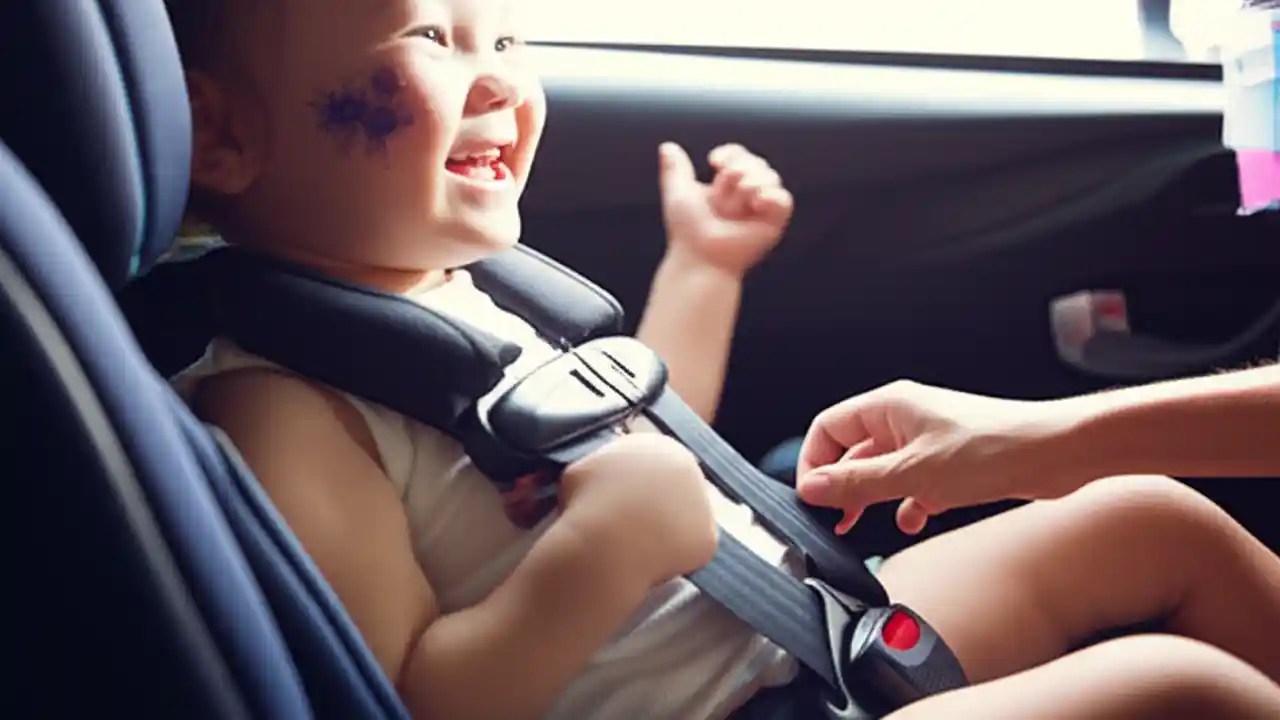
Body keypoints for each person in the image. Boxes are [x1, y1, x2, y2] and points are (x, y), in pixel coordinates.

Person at [162, 0, 1280, 718]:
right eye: (425, 39)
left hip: (794, 639)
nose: (497, 77)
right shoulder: (282, 412)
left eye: (504, 39)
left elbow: (645, 450)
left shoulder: (454, 289)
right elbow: (407, 698)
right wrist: (594, 557)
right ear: (223, 138)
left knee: (1149, 520)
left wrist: (704, 268)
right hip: (724, 707)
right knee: (1177, 691)